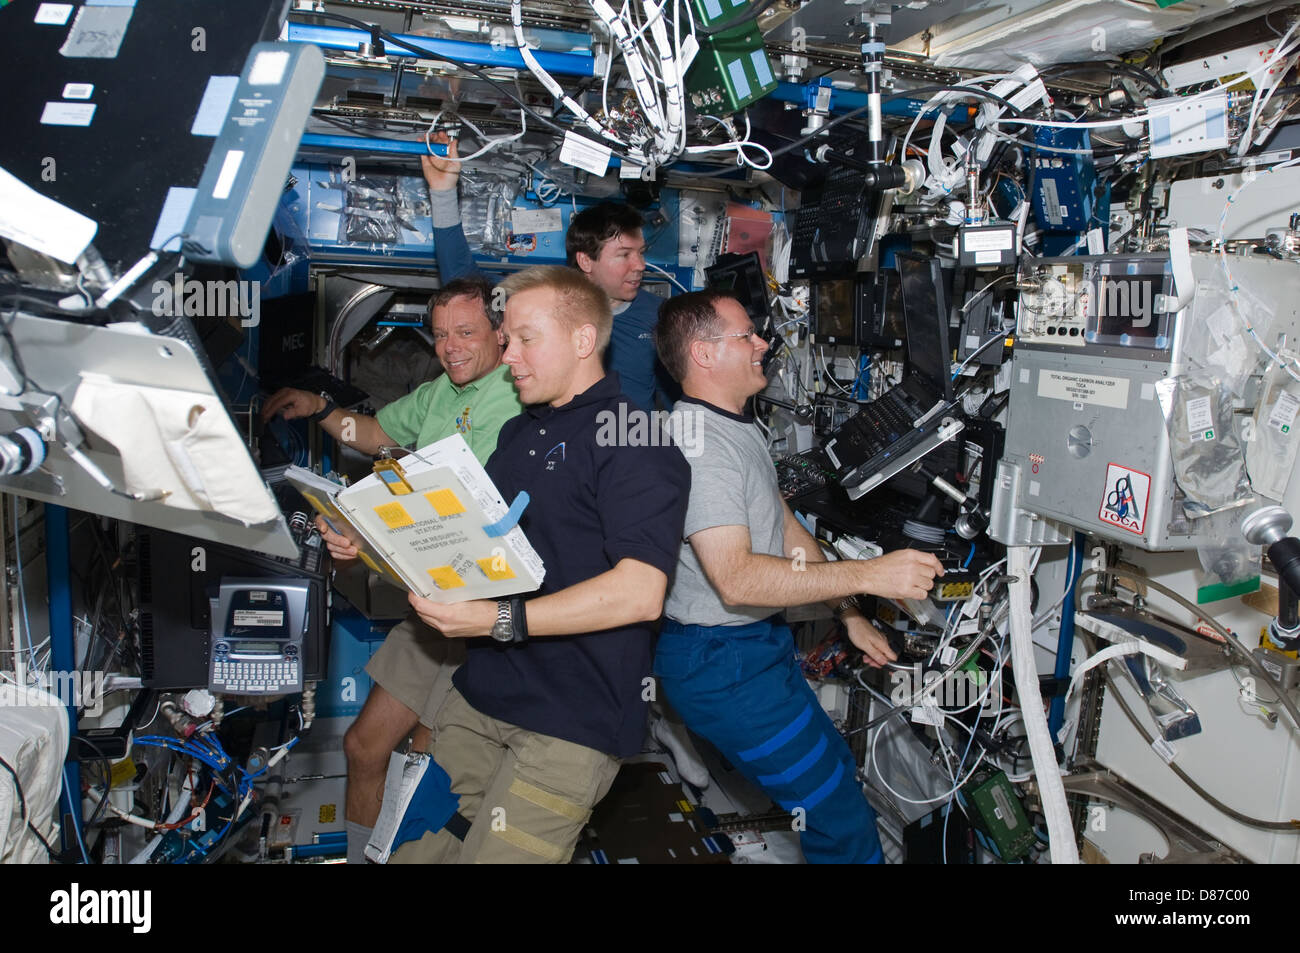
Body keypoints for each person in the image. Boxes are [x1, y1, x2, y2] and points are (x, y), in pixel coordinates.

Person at [335, 265, 690, 863]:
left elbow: (639, 593)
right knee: (404, 852)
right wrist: (368, 538)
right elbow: (466, 547)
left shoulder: (635, 438)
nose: (510, 354)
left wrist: (497, 621)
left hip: (568, 726)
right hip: (479, 700)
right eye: (508, 339)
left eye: (526, 338)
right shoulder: (522, 433)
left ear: (583, 341)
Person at [652, 290, 945, 864]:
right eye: (747, 336)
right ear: (704, 354)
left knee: (834, 769)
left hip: (752, 646)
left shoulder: (734, 425)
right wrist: (874, 573)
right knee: (838, 820)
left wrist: (850, 612)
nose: (763, 343)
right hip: (721, 661)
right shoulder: (702, 447)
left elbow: (783, 525)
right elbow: (735, 579)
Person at [261, 275, 523, 864]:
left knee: (426, 774)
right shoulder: (437, 395)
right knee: (364, 746)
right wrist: (323, 409)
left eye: (465, 332)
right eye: (439, 335)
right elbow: (377, 435)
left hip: (489, 619)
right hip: (430, 608)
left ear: (501, 334)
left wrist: (371, 531)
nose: (450, 347)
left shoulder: (523, 392)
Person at [421, 138, 676, 411]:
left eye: (641, 252)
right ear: (586, 261)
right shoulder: (539, 303)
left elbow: (676, 395)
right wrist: (443, 192)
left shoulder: (660, 316)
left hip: (628, 445)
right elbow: (464, 284)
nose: (640, 265)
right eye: (625, 255)